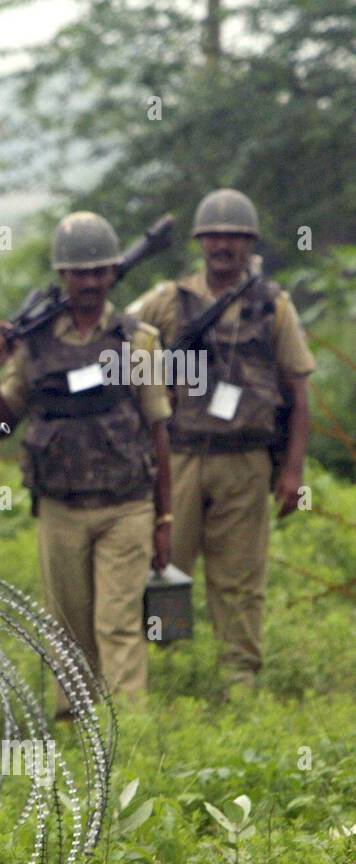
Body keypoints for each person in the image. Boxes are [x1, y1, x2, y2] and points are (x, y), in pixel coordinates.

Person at [0, 212, 172, 707]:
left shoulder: (137, 339)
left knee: (119, 624)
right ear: (62, 276)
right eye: (78, 272)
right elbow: (3, 422)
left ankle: (130, 732)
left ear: (112, 274)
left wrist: (164, 517)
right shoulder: (34, 343)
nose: (88, 282)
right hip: (61, 507)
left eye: (98, 272)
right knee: (68, 629)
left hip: (127, 505)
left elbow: (158, 430)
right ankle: (78, 732)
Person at [127, 189, 313, 692]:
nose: (223, 244)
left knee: (241, 579)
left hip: (246, 462)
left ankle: (241, 678)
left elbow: (298, 393)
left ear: (248, 242)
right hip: (179, 456)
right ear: (200, 242)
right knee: (163, 567)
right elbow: (120, 342)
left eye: (234, 236)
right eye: (214, 235)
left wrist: (292, 473)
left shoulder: (274, 306)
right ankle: (163, 671)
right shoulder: (168, 301)